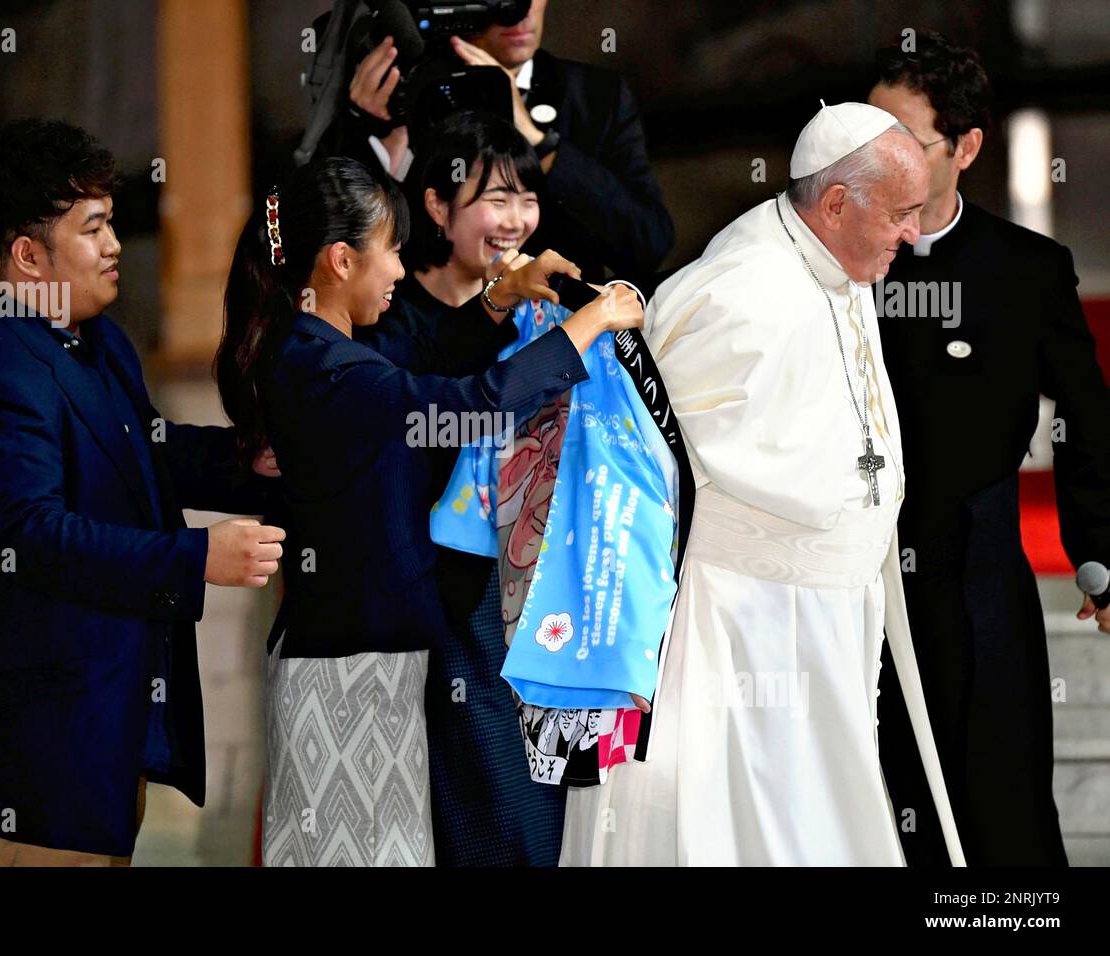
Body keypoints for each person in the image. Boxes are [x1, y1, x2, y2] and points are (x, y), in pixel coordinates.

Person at [0, 119, 285, 866]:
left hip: (85, 710)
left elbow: (144, 451)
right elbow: (30, 535)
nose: (115, 245)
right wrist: (196, 559)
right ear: (28, 255)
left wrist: (253, 462)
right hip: (18, 730)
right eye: (92, 229)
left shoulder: (91, 337)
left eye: (112, 223)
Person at [561, 102, 964, 866]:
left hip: (829, 622)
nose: (913, 236)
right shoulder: (738, 292)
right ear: (838, 203)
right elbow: (641, 471)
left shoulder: (839, 265)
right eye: (903, 214)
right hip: (742, 632)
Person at [215, 156, 642, 866]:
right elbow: (466, 405)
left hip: (360, 662)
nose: (398, 269)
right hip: (347, 676)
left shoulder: (320, 349)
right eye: (389, 250)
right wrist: (590, 323)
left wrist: (499, 301)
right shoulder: (329, 369)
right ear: (341, 260)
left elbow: (425, 367)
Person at [868, 33, 1110, 867]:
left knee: (1001, 808)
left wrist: (1100, 556)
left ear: (965, 147)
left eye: (904, 140)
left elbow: (1087, 421)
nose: (876, 157)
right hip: (854, 583)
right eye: (867, 133)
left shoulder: (1027, 269)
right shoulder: (836, 263)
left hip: (981, 578)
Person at [354, 110, 568, 866]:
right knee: (473, 804)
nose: (515, 220)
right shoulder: (389, 317)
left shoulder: (548, 304)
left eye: (527, 198)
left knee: (537, 805)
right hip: (438, 600)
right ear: (437, 208)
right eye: (493, 200)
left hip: (534, 587)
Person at [332, 0, 674, 281]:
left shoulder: (597, 95)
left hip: (562, 327)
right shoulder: (412, 91)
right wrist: (372, 137)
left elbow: (648, 245)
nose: (520, 11)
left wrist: (544, 146)